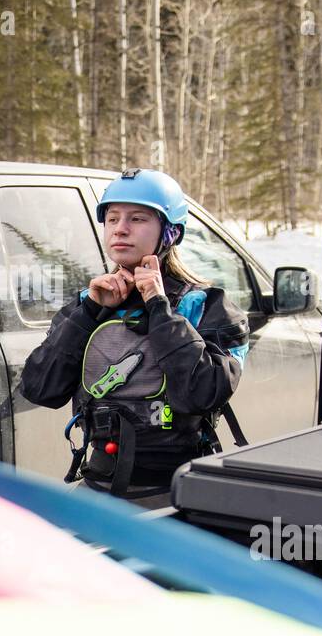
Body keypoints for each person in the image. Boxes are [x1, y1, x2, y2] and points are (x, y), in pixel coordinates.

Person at [19, 168, 249, 511]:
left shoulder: (206, 305)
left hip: (174, 490)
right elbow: (40, 388)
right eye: (112, 219)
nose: (120, 228)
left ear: (171, 232)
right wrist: (89, 312)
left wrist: (158, 306)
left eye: (137, 218)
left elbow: (203, 392)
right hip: (100, 483)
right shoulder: (89, 303)